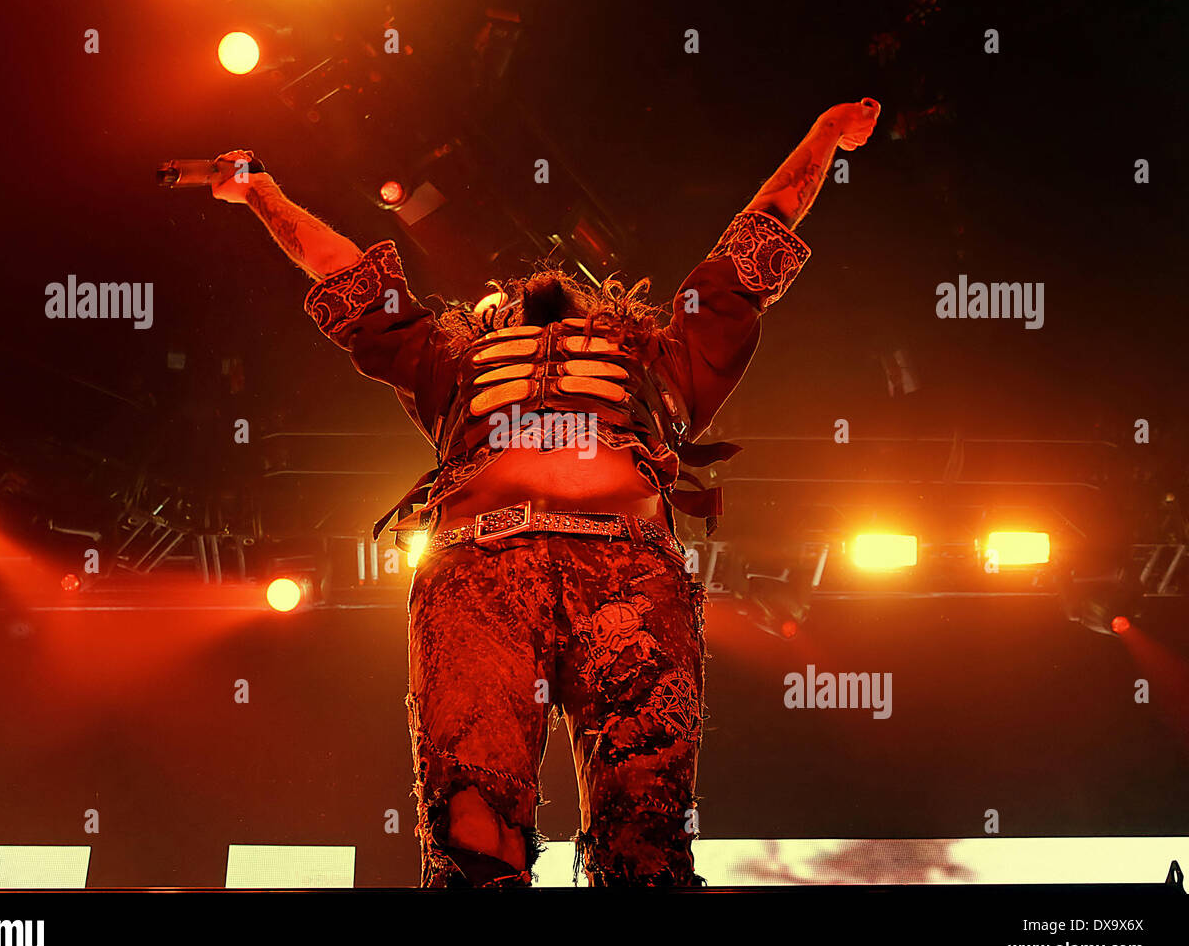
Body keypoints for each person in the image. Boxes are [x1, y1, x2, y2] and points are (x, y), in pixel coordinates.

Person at [209, 97, 881, 886]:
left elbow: (753, 245)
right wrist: (259, 191)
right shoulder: (446, 361)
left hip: (628, 576)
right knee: (471, 824)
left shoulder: (663, 355)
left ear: (609, 309)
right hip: (479, 576)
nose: (533, 285)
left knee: (648, 836)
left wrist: (823, 137)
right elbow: (345, 271)